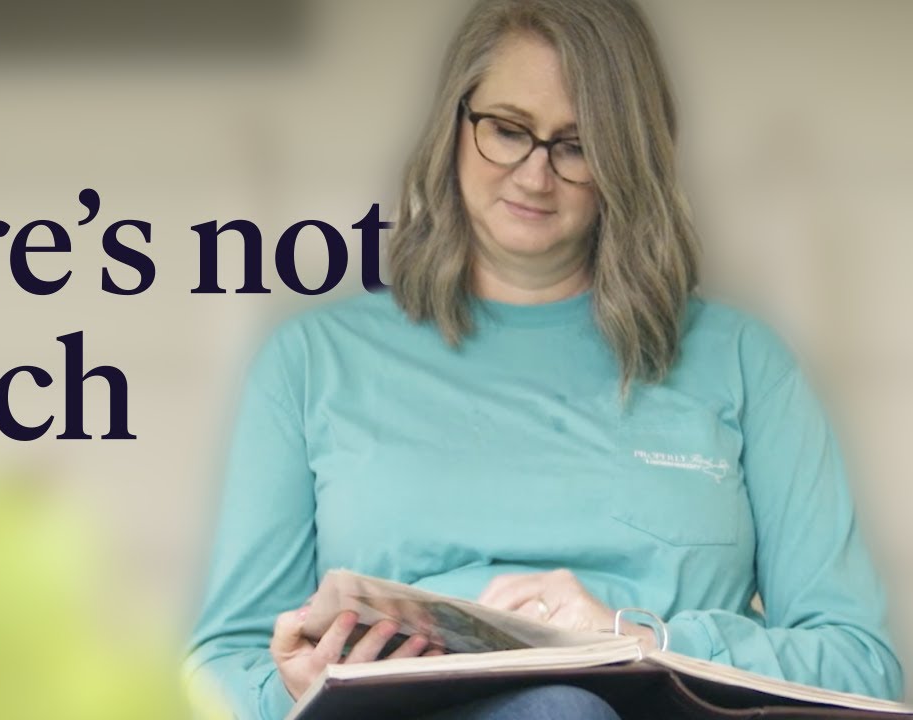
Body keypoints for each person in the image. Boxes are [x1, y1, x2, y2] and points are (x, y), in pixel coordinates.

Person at [184, 0, 905, 718]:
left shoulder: (743, 362)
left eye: (576, 145)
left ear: (627, 160)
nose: (535, 176)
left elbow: (862, 668)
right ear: (453, 127)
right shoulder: (313, 363)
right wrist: (290, 686)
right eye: (507, 130)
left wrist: (639, 639)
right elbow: (218, 670)